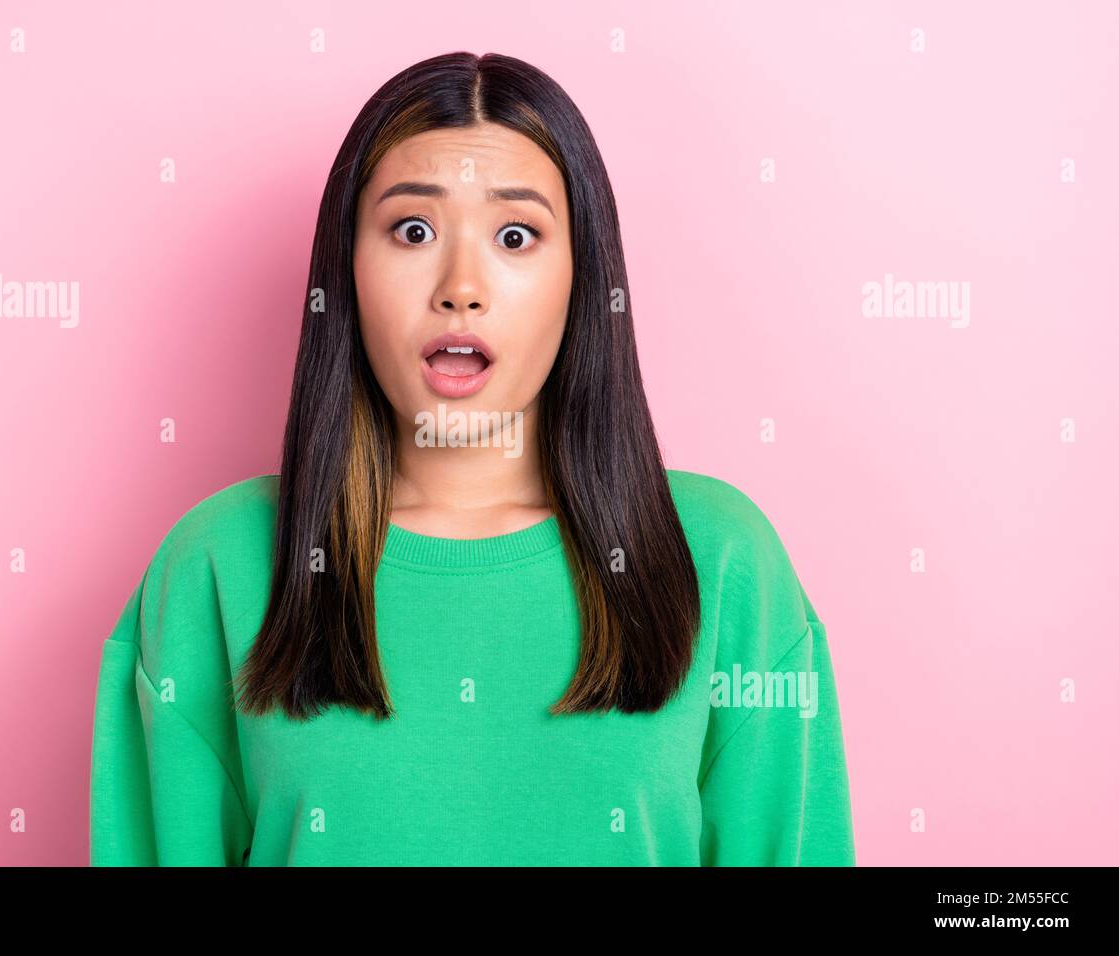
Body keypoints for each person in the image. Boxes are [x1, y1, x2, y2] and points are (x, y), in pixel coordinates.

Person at [89, 50, 855, 867]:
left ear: (581, 278)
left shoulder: (725, 562)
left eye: (516, 235)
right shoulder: (217, 567)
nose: (461, 286)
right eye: (413, 230)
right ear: (345, 273)